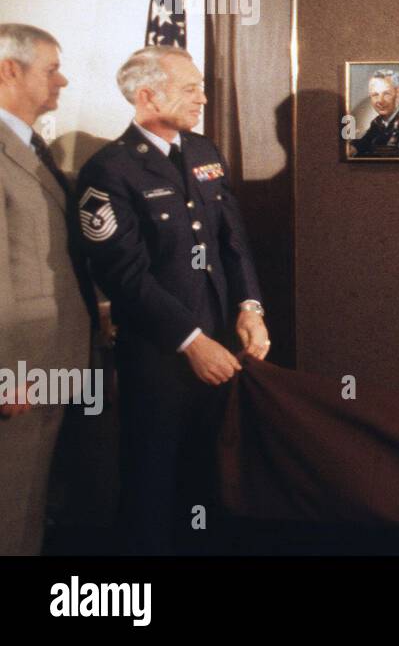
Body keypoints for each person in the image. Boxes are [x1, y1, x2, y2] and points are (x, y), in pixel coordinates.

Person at [76, 45, 269, 554]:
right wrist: (190, 341)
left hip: (224, 350)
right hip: (160, 357)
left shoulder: (205, 152)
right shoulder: (110, 170)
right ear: (147, 95)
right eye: (190, 88)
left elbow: (233, 242)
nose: (202, 98)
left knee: (212, 481)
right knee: (153, 489)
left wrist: (251, 309)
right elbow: (124, 275)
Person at [0, 24, 96, 555]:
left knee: (31, 500)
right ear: (8, 70)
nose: (62, 80)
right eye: (51, 68)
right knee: (10, 504)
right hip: (18, 369)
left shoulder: (30, 146)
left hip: (48, 360)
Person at [352, 69, 399, 157]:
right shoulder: (377, 122)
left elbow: (398, 160)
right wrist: (352, 147)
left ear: (397, 93)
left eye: (386, 94)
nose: (380, 101)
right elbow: (364, 143)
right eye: (375, 95)